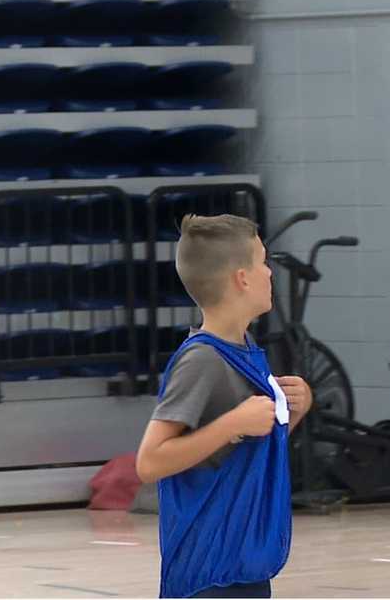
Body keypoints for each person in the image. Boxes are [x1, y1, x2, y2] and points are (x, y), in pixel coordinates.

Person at [135, 214, 313, 599]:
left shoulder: (247, 352)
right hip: (208, 574)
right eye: (263, 262)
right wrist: (233, 423)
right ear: (242, 278)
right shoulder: (203, 361)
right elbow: (150, 462)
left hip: (244, 565)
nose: (270, 273)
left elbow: (240, 453)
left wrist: (290, 416)